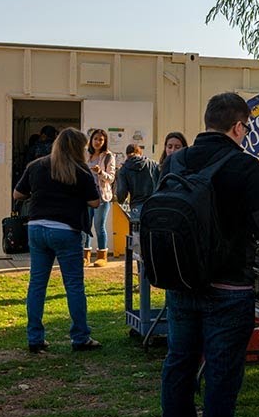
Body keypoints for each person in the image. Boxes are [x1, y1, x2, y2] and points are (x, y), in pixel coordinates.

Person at [159, 93, 259, 417]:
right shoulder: (245, 165)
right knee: (221, 374)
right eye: (246, 128)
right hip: (229, 286)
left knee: (179, 366)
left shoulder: (177, 160)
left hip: (182, 280)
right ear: (238, 126)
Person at [13, 127, 103, 353]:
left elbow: (18, 194)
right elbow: (95, 202)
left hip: (36, 227)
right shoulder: (80, 171)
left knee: (37, 284)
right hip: (66, 229)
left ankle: (35, 337)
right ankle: (80, 337)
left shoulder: (36, 166)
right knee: (73, 285)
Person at [85, 128, 116, 266]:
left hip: (101, 195)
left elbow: (111, 178)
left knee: (99, 226)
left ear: (105, 142)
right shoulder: (86, 154)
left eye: (101, 140)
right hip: (86, 195)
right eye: (95, 139)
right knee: (85, 225)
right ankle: (85, 256)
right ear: (91, 140)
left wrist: (100, 172)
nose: (98, 142)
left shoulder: (109, 156)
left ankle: (102, 256)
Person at [115, 143, 160, 217]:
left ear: (127, 155)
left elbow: (121, 194)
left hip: (136, 207)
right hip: (154, 205)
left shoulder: (123, 169)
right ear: (141, 153)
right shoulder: (153, 164)